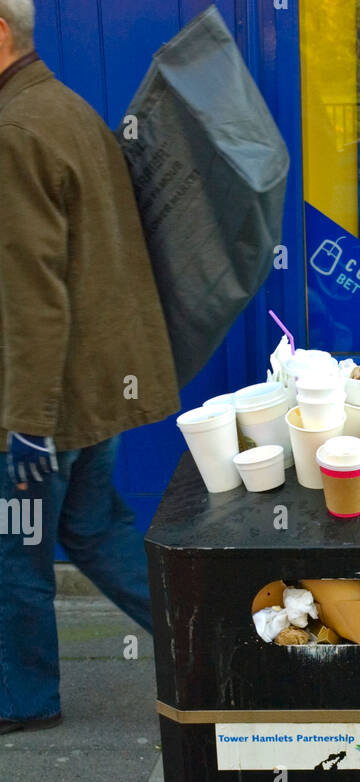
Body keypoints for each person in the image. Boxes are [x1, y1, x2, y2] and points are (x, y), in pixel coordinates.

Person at [0, 0, 179, 735]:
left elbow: (30, 292)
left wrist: (25, 426)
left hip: (52, 397)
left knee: (14, 548)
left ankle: (22, 698)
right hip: (97, 383)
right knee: (95, 527)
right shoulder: (65, 107)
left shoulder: (14, 130)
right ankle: (210, 633)